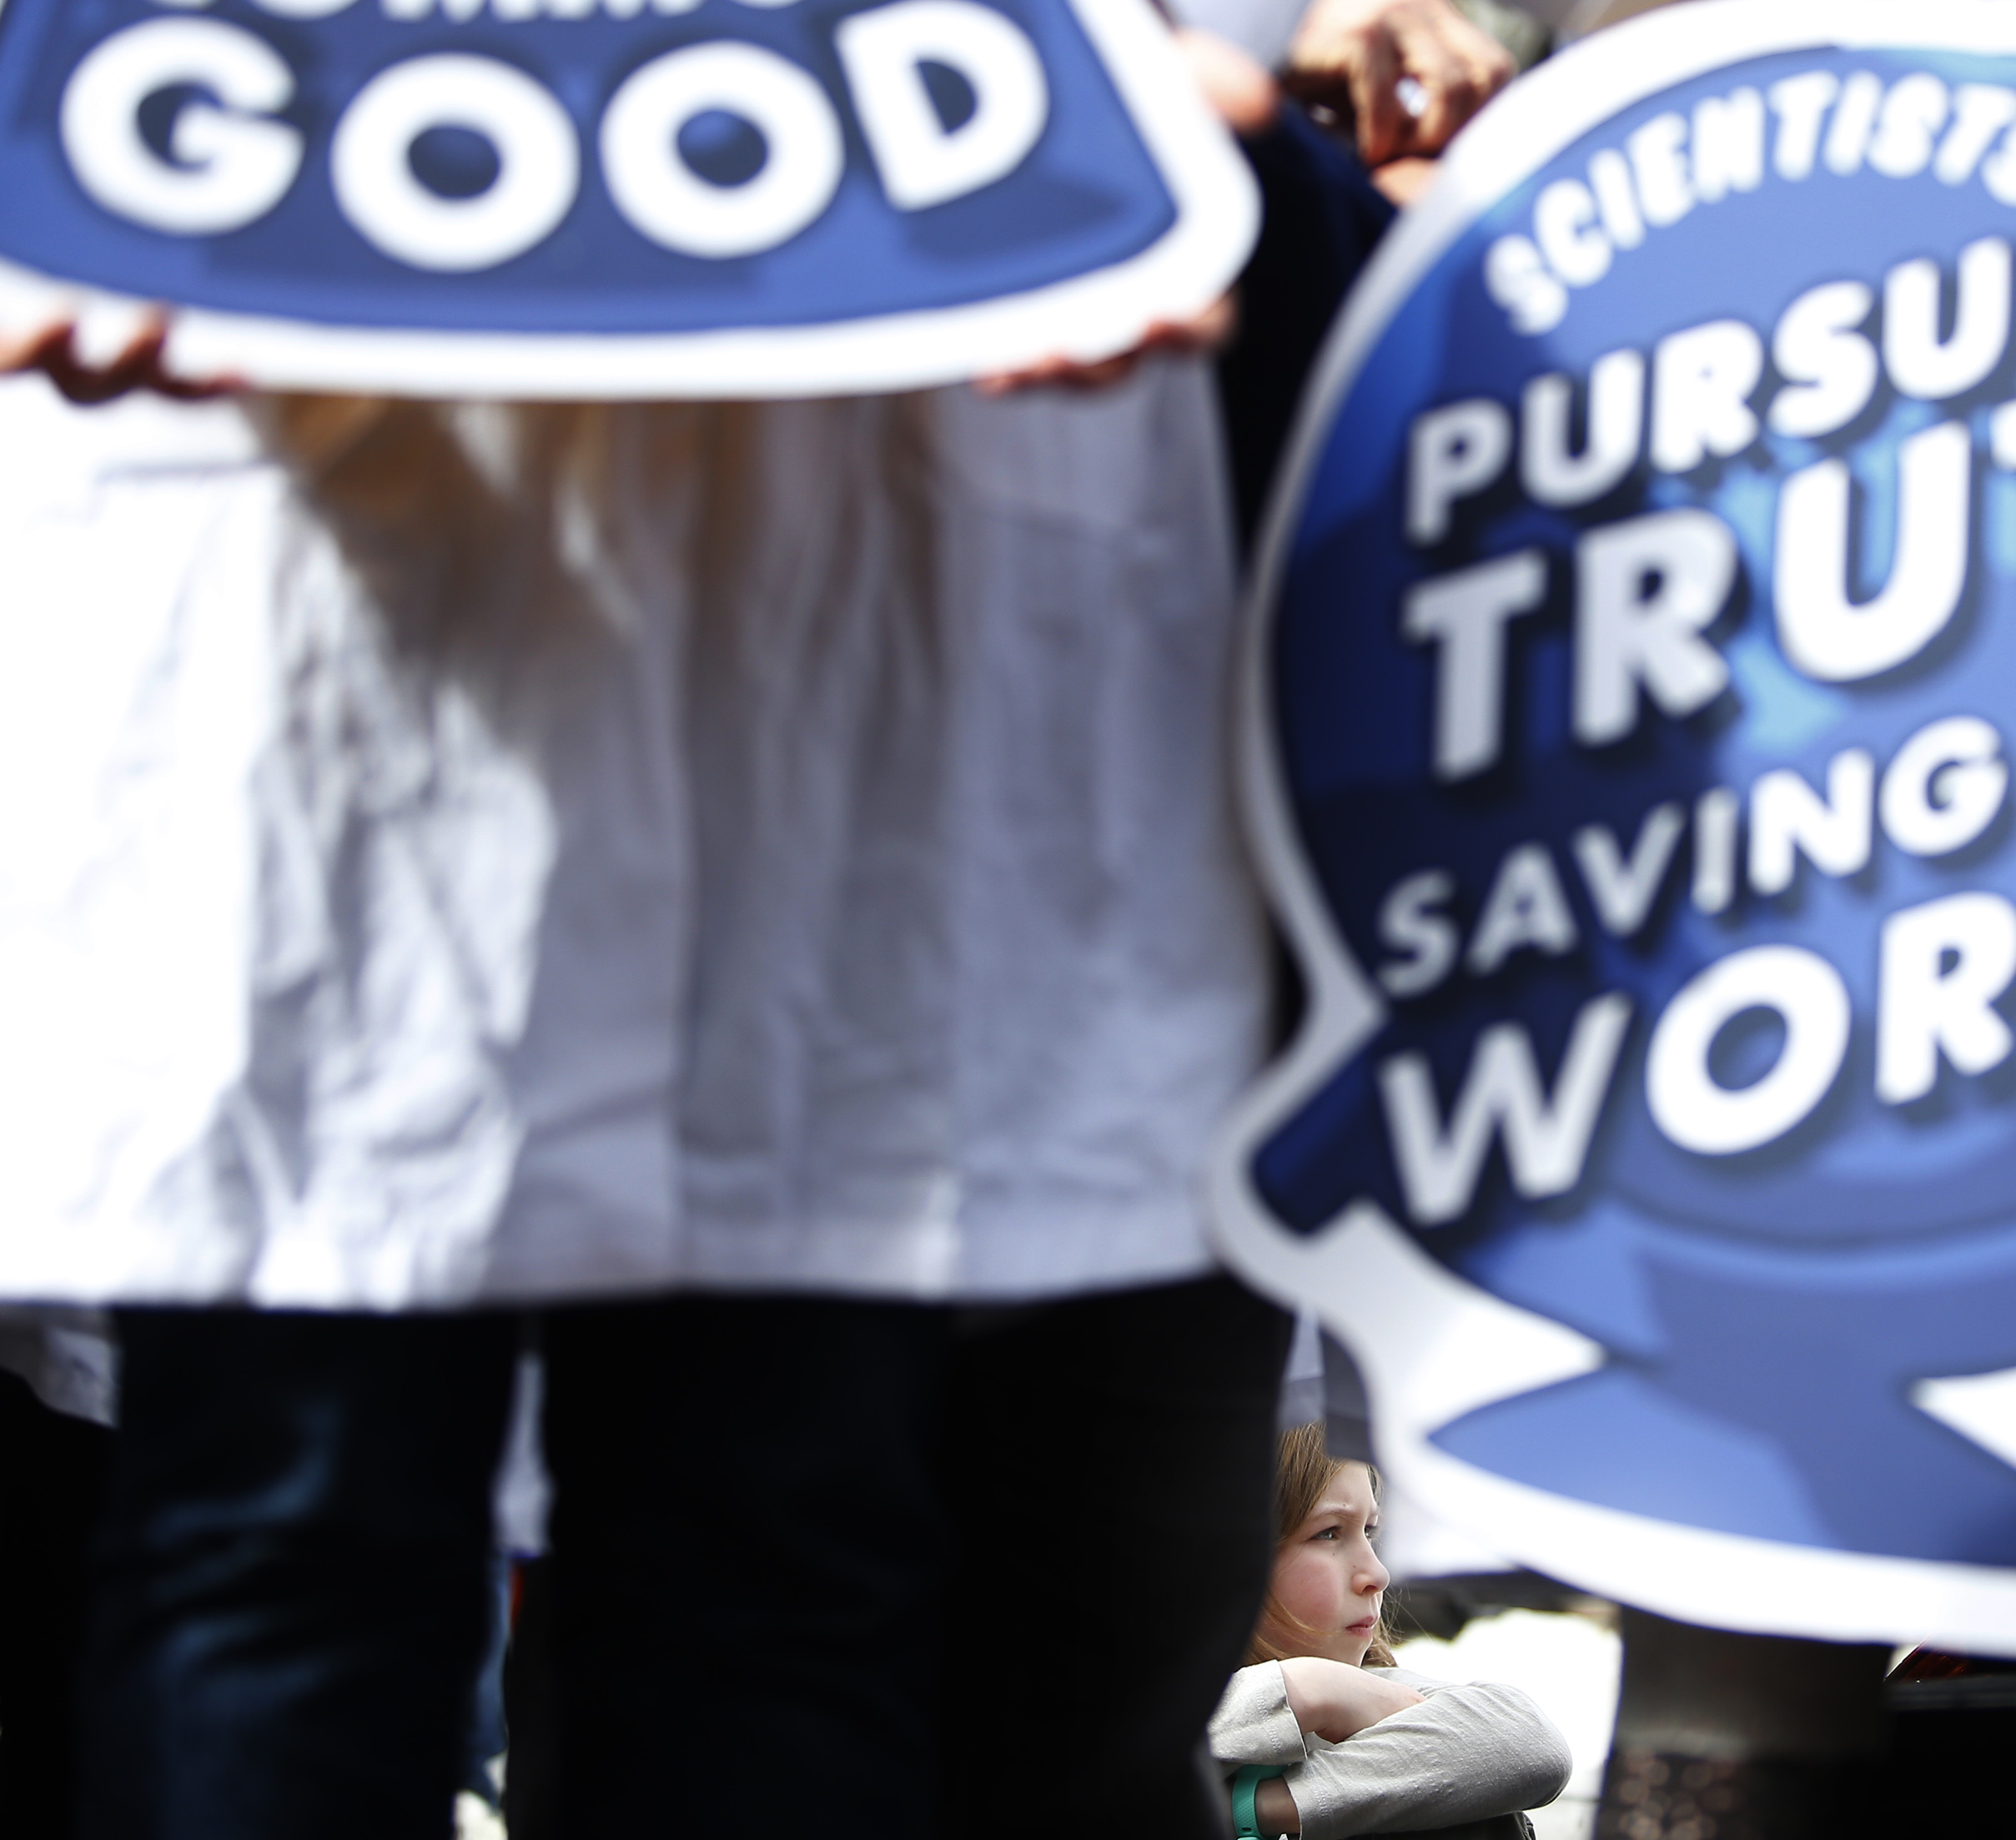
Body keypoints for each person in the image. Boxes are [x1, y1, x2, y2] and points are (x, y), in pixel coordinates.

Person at [0, 9, 1518, 1839]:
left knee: (699, 1545)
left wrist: (1186, 139)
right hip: (384, 620)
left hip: (817, 655)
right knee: (327, 1535)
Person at [1209, 1423, 1571, 1840]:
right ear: (1231, 1557)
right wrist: (1299, 1688)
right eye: (1328, 1532)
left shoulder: (1372, 1692)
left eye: (1369, 1531)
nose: (1377, 1574)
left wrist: (1256, 1808)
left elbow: (1526, 1744)